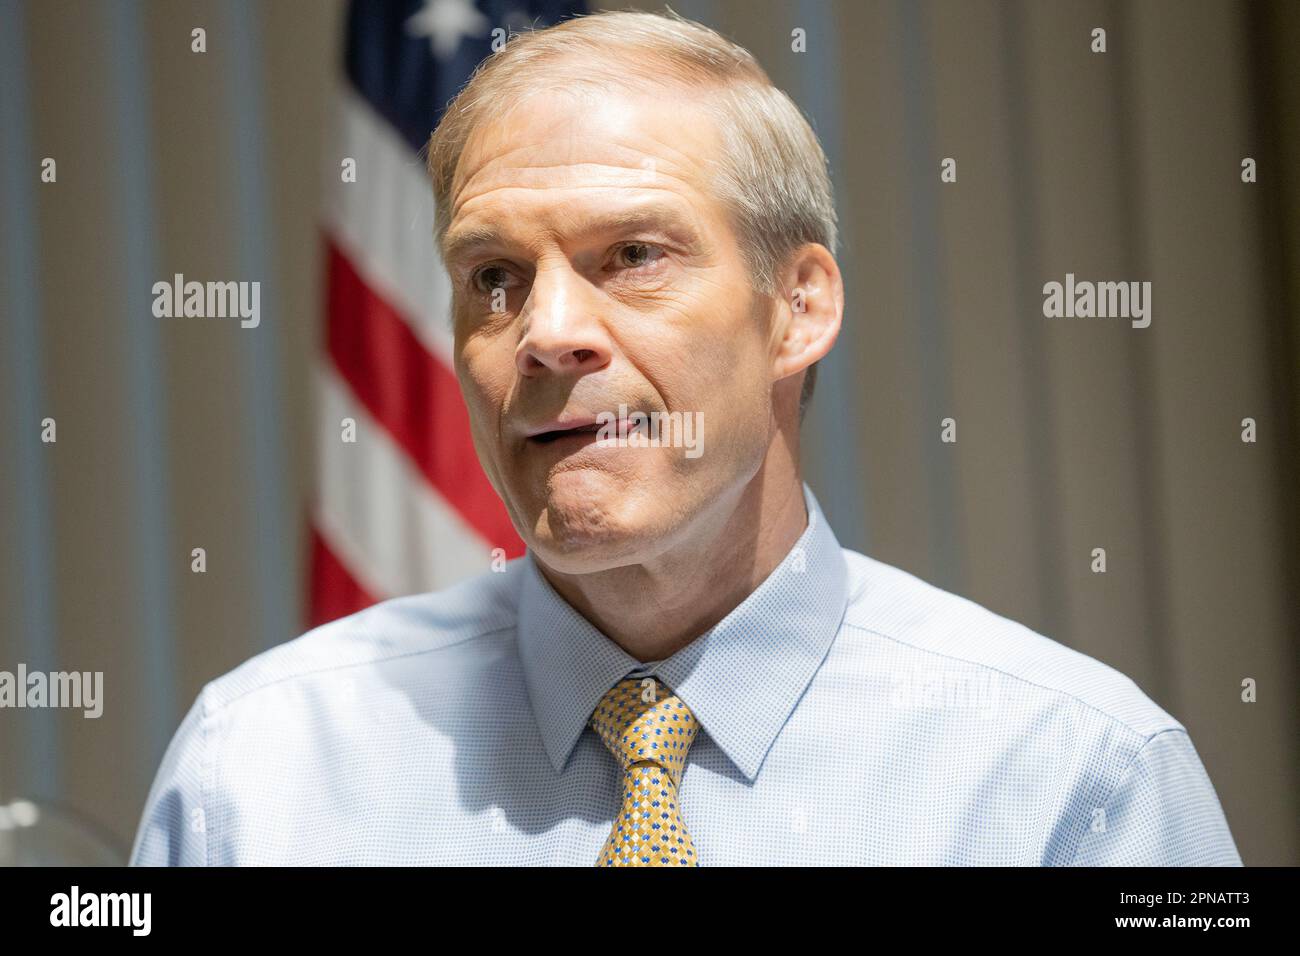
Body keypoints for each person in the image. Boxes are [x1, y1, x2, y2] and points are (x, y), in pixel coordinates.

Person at [130, 9, 1240, 866]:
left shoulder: (1074, 777)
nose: (548, 332)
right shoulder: (260, 769)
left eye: (632, 255)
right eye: (494, 278)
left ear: (797, 307)